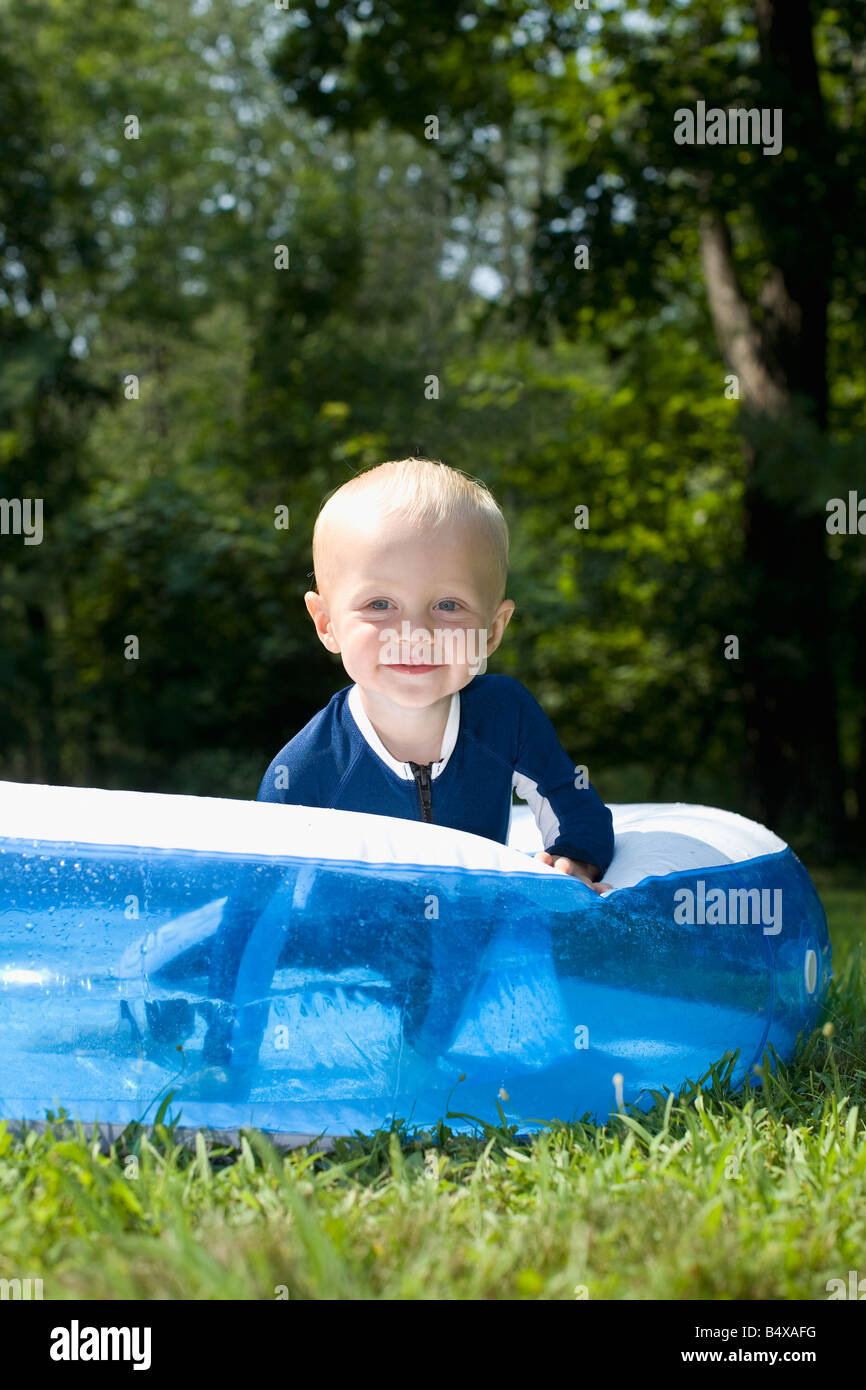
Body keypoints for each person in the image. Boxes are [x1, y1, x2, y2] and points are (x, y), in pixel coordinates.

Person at [199, 457, 614, 1077]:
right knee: (232, 955)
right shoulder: (312, 765)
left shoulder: (504, 718)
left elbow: (571, 799)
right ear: (326, 623)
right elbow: (252, 909)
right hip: (342, 940)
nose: (414, 633)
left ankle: (422, 1057)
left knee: (433, 1036)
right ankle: (161, 1007)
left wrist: (576, 855)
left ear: (493, 629)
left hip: (460, 932)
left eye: (448, 604)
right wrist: (225, 1056)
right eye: (380, 604)